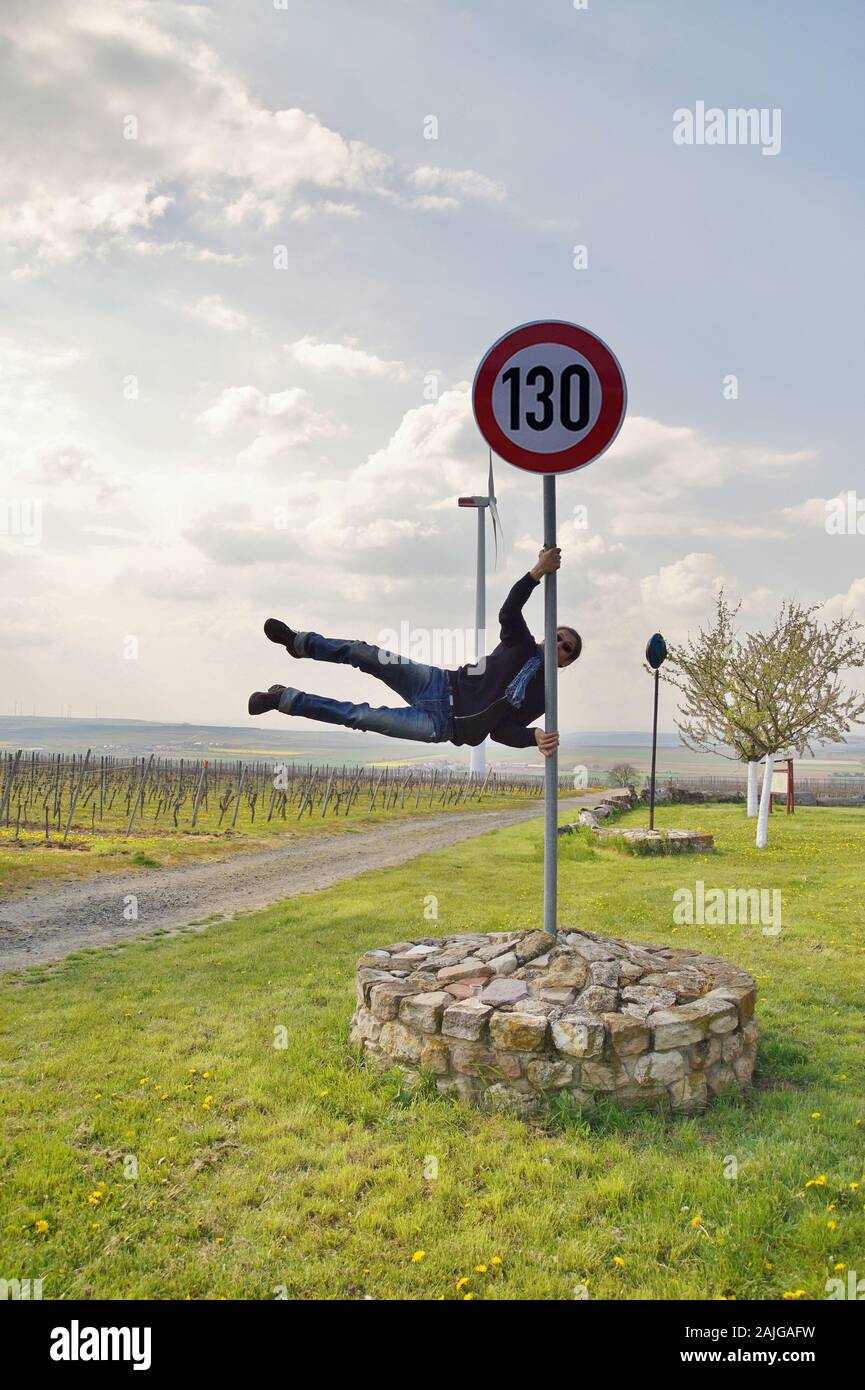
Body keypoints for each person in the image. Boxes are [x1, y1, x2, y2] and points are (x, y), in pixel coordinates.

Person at [247, 545, 580, 757]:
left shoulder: (542, 696)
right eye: (560, 637)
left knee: (359, 716)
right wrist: (537, 572)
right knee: (366, 654)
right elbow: (509, 610)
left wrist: (532, 736)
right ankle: (298, 643)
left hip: (438, 726)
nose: (561, 645)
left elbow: (501, 731)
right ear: (548, 635)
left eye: (568, 649)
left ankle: (281, 700)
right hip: (436, 683)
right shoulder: (521, 643)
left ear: (566, 662)